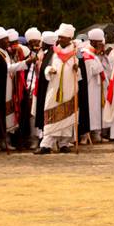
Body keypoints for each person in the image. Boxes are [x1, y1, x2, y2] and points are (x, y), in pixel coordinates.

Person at [37, 25, 83, 154]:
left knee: (68, 115)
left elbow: (80, 73)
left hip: (69, 88)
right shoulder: (54, 51)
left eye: (63, 37)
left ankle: (64, 143)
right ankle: (46, 145)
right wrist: (48, 70)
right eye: (59, 37)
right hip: (54, 88)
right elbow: (45, 67)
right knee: (51, 112)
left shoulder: (76, 52)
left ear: (69, 38)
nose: (60, 39)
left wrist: (77, 70)